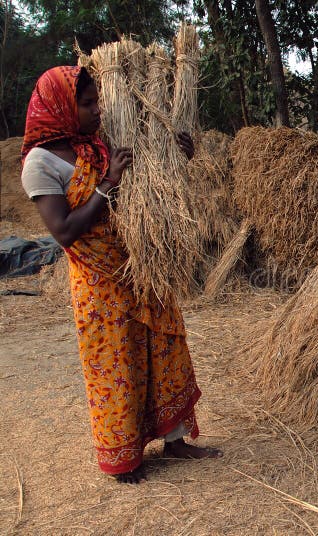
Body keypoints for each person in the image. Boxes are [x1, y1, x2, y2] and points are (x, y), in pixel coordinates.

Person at [20, 66, 221, 484]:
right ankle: (124, 456)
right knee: (116, 365)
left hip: (139, 267)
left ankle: (177, 439)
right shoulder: (39, 164)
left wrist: (174, 151)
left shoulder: (97, 144)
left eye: (97, 101)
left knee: (165, 351)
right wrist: (107, 184)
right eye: (87, 103)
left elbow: (146, 183)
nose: (97, 110)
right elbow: (64, 231)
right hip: (99, 279)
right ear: (60, 106)